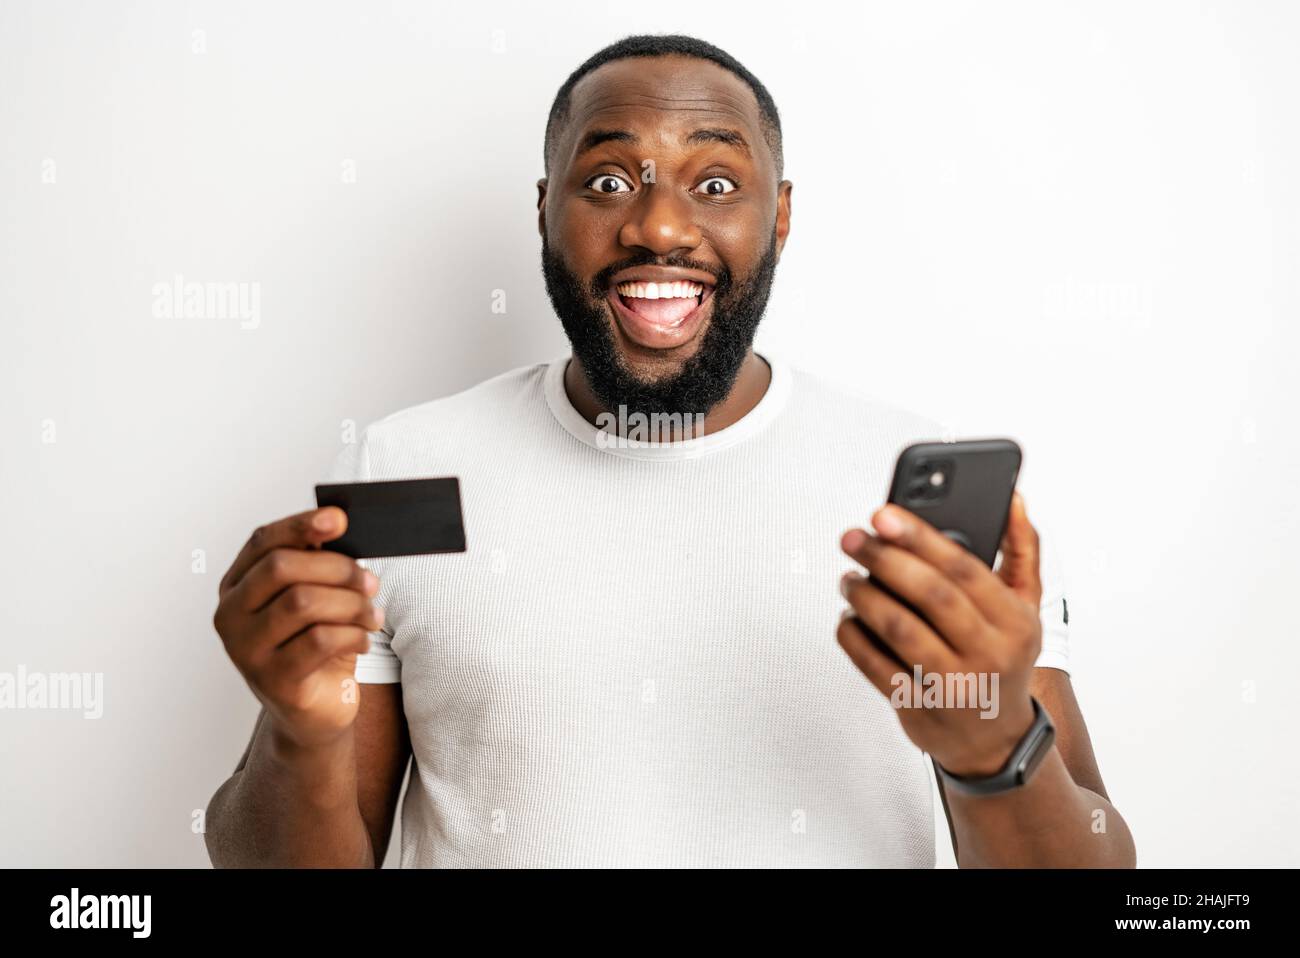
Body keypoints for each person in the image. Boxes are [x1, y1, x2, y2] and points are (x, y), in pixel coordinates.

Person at [205, 34, 1135, 868]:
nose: (657, 226)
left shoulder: (909, 483)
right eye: (608, 181)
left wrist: (991, 746)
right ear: (543, 210)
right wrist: (296, 736)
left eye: (717, 184)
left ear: (780, 218)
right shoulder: (409, 465)